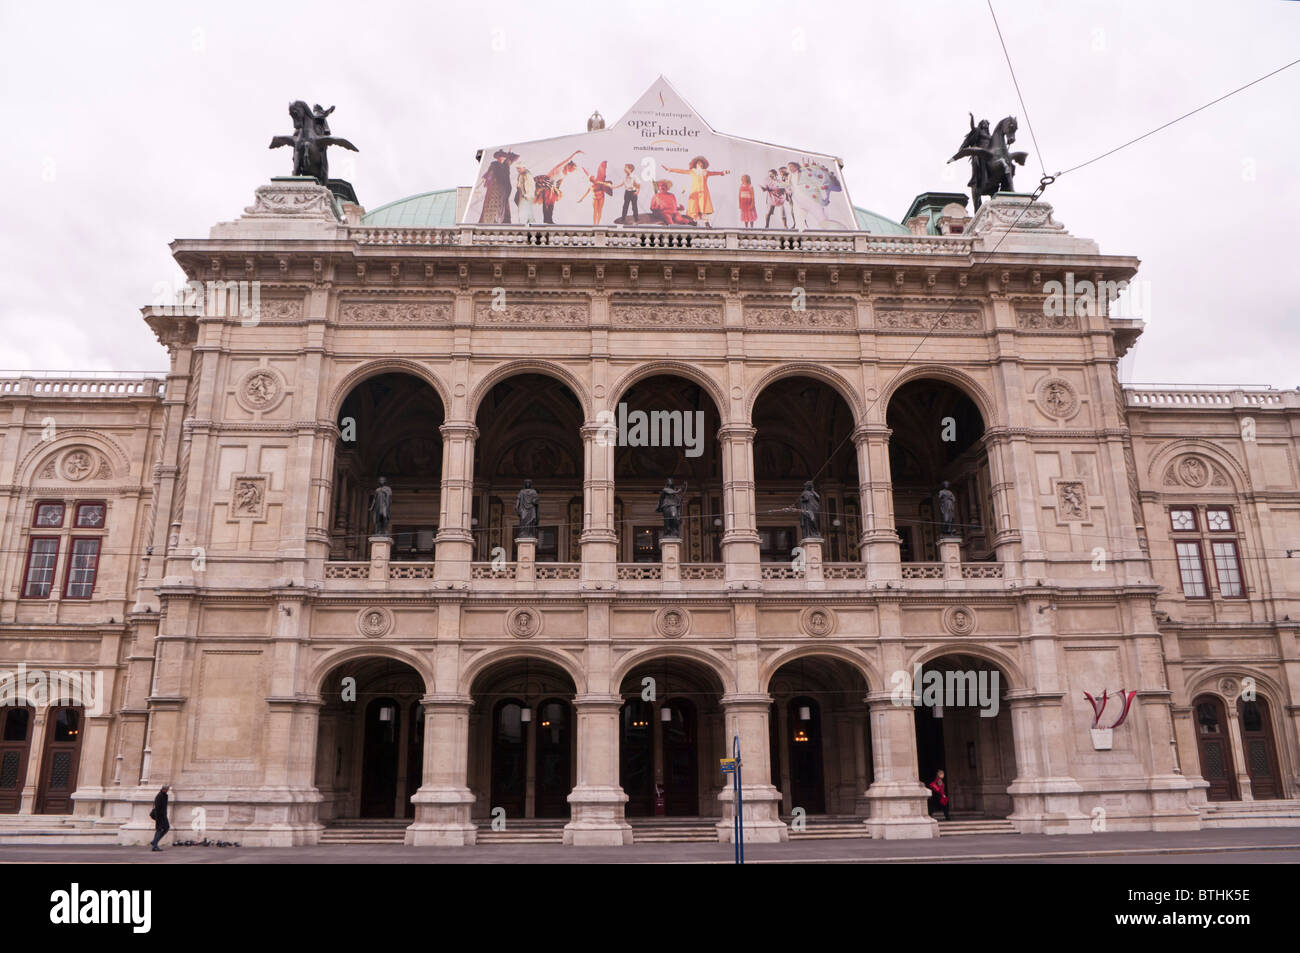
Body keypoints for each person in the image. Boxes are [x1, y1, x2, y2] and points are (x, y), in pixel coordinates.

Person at [661, 156, 729, 227]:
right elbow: (681, 171)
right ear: (695, 164)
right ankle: (694, 221)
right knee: (694, 207)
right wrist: (670, 169)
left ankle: (706, 222)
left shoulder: (706, 172)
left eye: (701, 163)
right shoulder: (692, 171)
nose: (700, 164)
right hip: (695, 193)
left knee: (703, 207)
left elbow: (715, 173)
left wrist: (723, 172)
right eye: (699, 163)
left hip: (703, 193)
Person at [149, 784, 170, 851]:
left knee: (165, 828)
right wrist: (158, 818)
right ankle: (155, 845)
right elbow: (157, 808)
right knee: (159, 829)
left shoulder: (165, 796)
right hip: (160, 816)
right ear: (163, 789)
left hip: (163, 815)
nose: (167, 790)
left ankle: (154, 841)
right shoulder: (159, 796)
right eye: (167, 789)